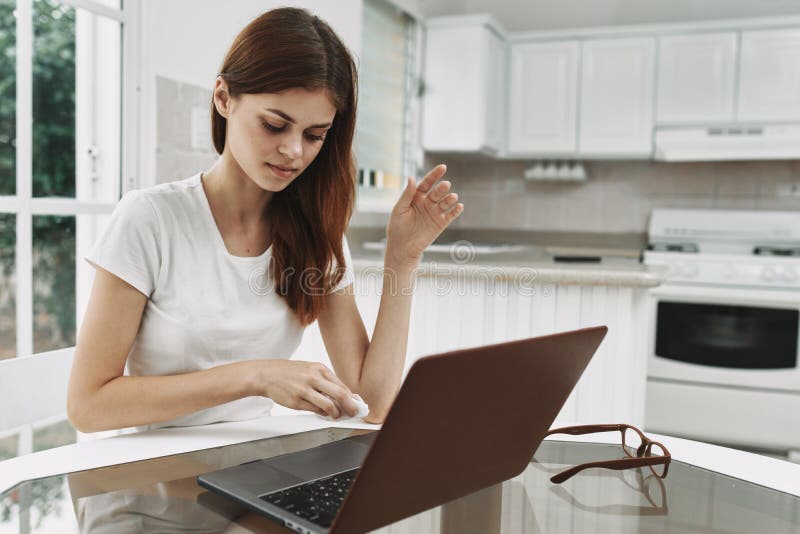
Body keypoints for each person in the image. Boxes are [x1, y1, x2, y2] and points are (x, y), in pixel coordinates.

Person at [66, 7, 463, 433]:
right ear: (224, 98)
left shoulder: (316, 233)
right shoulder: (151, 219)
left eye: (314, 135)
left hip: (249, 465)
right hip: (148, 480)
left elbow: (373, 406)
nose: (294, 151)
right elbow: (88, 405)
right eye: (275, 125)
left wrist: (402, 258)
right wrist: (254, 377)